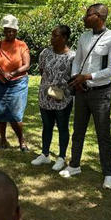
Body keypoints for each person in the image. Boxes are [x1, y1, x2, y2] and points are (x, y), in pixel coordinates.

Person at [62, 3, 111, 190]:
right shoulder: (84, 36)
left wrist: (88, 76)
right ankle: (74, 165)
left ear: (99, 16)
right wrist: (76, 79)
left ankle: (108, 173)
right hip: (82, 91)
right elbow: (77, 60)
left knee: (102, 133)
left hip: (100, 92)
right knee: (78, 130)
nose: (85, 17)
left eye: (88, 14)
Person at [32, 25, 75, 170]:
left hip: (62, 99)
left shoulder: (72, 57)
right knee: (47, 126)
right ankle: (45, 154)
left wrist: (60, 88)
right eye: (52, 35)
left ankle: (61, 157)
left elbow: (73, 79)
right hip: (45, 96)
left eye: (55, 36)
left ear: (64, 38)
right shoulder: (45, 53)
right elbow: (42, 70)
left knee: (62, 127)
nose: (52, 38)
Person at [0, 14, 30, 151]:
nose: (10, 33)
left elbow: (27, 65)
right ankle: (3, 138)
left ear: (16, 31)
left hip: (17, 83)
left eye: (12, 31)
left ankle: (21, 139)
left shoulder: (22, 45)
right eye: (7, 30)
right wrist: (2, 73)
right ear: (4, 31)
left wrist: (13, 73)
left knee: (15, 115)